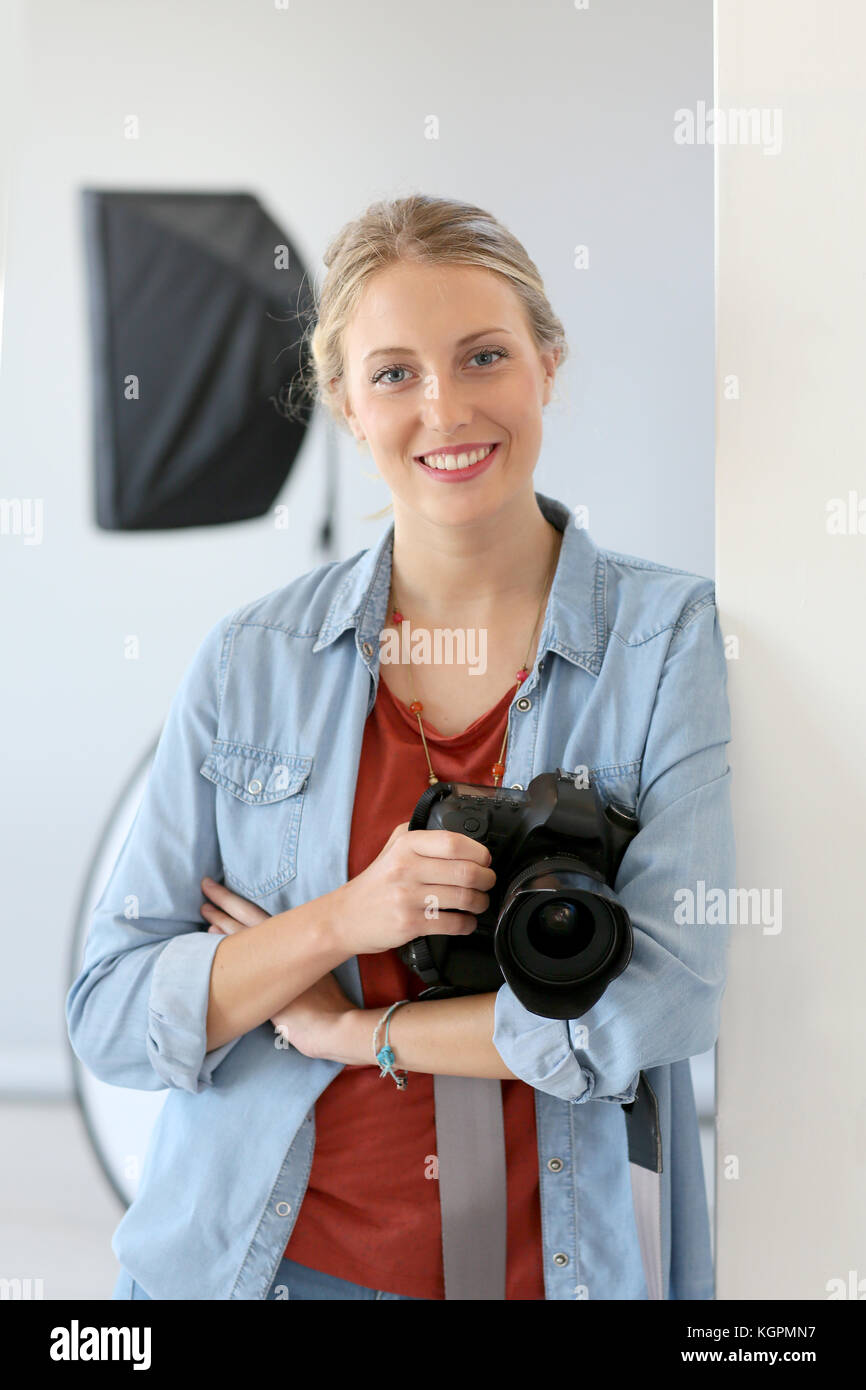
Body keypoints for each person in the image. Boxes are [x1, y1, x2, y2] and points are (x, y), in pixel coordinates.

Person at [67, 193, 735, 1301]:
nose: (445, 408)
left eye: (482, 356)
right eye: (392, 374)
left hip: (553, 1275)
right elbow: (111, 1014)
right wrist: (343, 918)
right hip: (255, 1268)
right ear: (342, 401)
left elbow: (665, 1001)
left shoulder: (663, 644)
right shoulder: (251, 661)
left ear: (546, 365)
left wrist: (357, 1030)